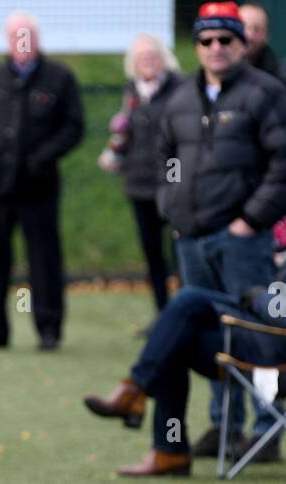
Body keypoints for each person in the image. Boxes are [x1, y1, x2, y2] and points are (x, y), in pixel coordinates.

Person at [83, 174, 286, 476]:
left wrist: (258, 299)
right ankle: (163, 441)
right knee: (177, 327)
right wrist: (259, 299)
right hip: (270, 339)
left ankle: (139, 399)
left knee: (186, 306)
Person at [155, 1, 286, 461]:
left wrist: (250, 221)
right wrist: (173, 209)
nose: (216, 48)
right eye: (206, 40)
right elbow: (166, 162)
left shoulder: (267, 92)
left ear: (242, 43)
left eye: (226, 39)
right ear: (197, 45)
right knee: (209, 336)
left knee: (256, 331)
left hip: (242, 240)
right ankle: (223, 427)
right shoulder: (180, 96)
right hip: (193, 240)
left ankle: (266, 431)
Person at [0, 10, 84, 350]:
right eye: (16, 36)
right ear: (7, 41)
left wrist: (41, 158)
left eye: (27, 36)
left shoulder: (59, 78)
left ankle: (49, 329)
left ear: (37, 39)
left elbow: (73, 127)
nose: (22, 43)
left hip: (39, 188)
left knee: (44, 258)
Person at [97, 34, 183, 312]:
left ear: (163, 58)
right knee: (152, 255)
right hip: (139, 184)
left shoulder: (179, 88)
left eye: (153, 54)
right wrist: (114, 153)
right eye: (142, 56)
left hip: (172, 185)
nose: (147, 60)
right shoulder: (132, 92)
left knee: (181, 255)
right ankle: (163, 314)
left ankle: (185, 314)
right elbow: (124, 133)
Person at [239, 3, 286, 94]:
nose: (249, 35)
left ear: (267, 35)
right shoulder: (216, 71)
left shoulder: (279, 80)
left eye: (257, 29)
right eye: (243, 27)